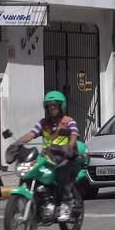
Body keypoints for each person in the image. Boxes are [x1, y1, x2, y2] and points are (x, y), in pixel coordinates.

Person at [16, 90, 79, 222]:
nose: (52, 108)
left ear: (61, 106)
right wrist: (17, 143)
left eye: (55, 105)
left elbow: (73, 136)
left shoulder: (69, 121)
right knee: (31, 172)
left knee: (62, 174)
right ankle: (37, 204)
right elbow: (31, 134)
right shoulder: (43, 123)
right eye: (49, 106)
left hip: (65, 156)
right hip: (48, 157)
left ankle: (65, 205)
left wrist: (69, 146)